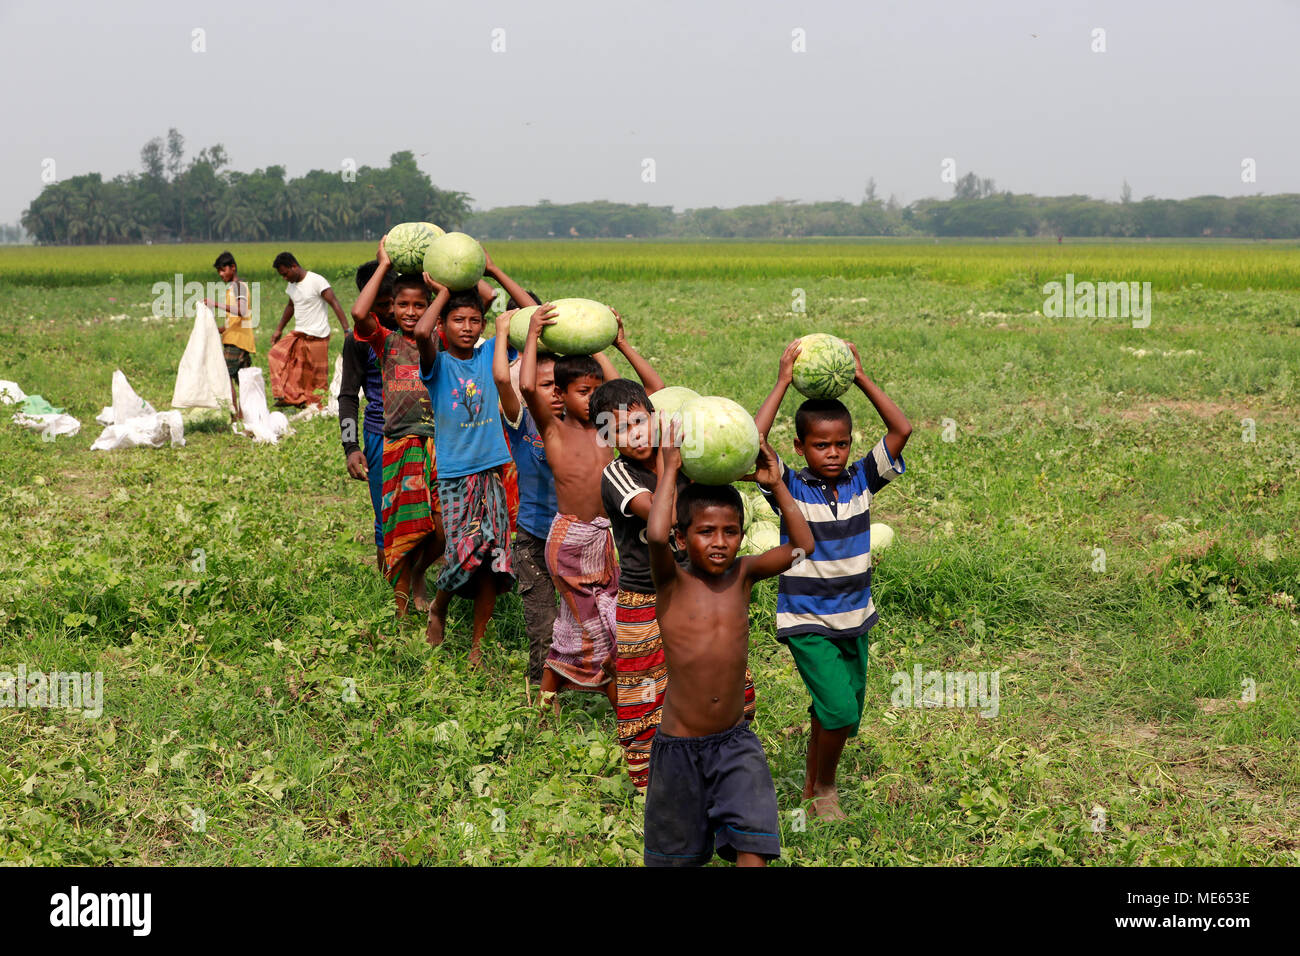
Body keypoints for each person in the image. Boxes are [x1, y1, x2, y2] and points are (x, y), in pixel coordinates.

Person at [642, 425, 815, 867]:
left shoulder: (745, 575)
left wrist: (777, 485)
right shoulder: (671, 581)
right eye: (706, 531)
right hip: (679, 747)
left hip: (736, 743)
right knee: (677, 860)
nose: (719, 542)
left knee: (754, 849)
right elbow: (656, 536)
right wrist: (669, 469)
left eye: (730, 532)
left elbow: (803, 546)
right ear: (684, 538)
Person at [753, 339, 911, 820]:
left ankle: (810, 782)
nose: (834, 453)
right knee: (840, 711)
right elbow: (750, 443)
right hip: (807, 619)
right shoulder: (790, 485)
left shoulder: (863, 478)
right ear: (799, 446)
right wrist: (782, 381)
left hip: (855, 617)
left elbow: (901, 428)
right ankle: (824, 788)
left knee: (846, 712)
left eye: (841, 443)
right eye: (821, 445)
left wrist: (859, 375)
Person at [416, 252, 534, 666]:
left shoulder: (490, 356)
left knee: (494, 562)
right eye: (457, 321)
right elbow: (420, 331)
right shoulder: (438, 365)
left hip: (492, 472)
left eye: (473, 321)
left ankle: (478, 645)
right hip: (454, 474)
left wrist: (493, 269)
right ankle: (440, 605)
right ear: (445, 327)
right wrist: (444, 291)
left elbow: (528, 312)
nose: (467, 328)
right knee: (464, 551)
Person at [519, 308, 620, 711]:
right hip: (569, 544)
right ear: (561, 395)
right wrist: (532, 335)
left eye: (597, 392)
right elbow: (527, 386)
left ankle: (545, 701)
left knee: (576, 626)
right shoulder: (554, 430)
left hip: (601, 540)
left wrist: (608, 341)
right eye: (584, 391)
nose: (594, 399)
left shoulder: (609, 428)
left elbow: (631, 390)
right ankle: (626, 717)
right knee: (602, 632)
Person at [352, 243, 442, 615]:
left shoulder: (439, 340)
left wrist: (443, 286)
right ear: (391, 307)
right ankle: (401, 609)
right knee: (400, 530)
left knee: (441, 529)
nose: (410, 312)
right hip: (397, 445)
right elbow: (359, 312)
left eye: (419, 305)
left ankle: (422, 572)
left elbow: (484, 298)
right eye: (402, 305)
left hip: (437, 445)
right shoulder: (385, 341)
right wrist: (385, 262)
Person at [493, 304, 561, 687]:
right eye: (544, 385)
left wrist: (609, 343)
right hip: (534, 540)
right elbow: (506, 381)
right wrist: (511, 332)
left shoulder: (582, 424)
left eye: (558, 387)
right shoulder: (523, 422)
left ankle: (584, 684)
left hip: (578, 540)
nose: (551, 394)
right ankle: (542, 697)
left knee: (586, 624)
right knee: (543, 627)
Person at [339, 260, 395, 574]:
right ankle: (392, 589)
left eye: (394, 302)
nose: (391, 310)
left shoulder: (417, 332)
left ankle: (418, 580)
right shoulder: (358, 343)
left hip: (424, 435)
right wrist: (351, 446)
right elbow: (348, 396)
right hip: (379, 437)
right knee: (385, 516)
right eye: (382, 304)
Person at [269, 251, 350, 407]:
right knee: (277, 356)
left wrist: (346, 330)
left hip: (318, 336)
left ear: (294, 266)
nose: (285, 278)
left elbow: (334, 303)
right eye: (282, 276)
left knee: (318, 376)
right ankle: (296, 398)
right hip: (299, 334)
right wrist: (279, 329)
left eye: (285, 274)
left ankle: (318, 406)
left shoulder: (316, 281)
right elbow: (291, 306)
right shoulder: (291, 285)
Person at [204, 251, 252, 421]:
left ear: (233, 267)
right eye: (219, 272)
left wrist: (215, 304)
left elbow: (242, 310)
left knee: (226, 377)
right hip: (237, 338)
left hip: (236, 341)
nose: (221, 274)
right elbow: (233, 320)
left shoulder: (239, 286)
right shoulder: (233, 288)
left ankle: (235, 416)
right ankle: (247, 413)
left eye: (223, 270)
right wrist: (218, 329)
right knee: (244, 381)